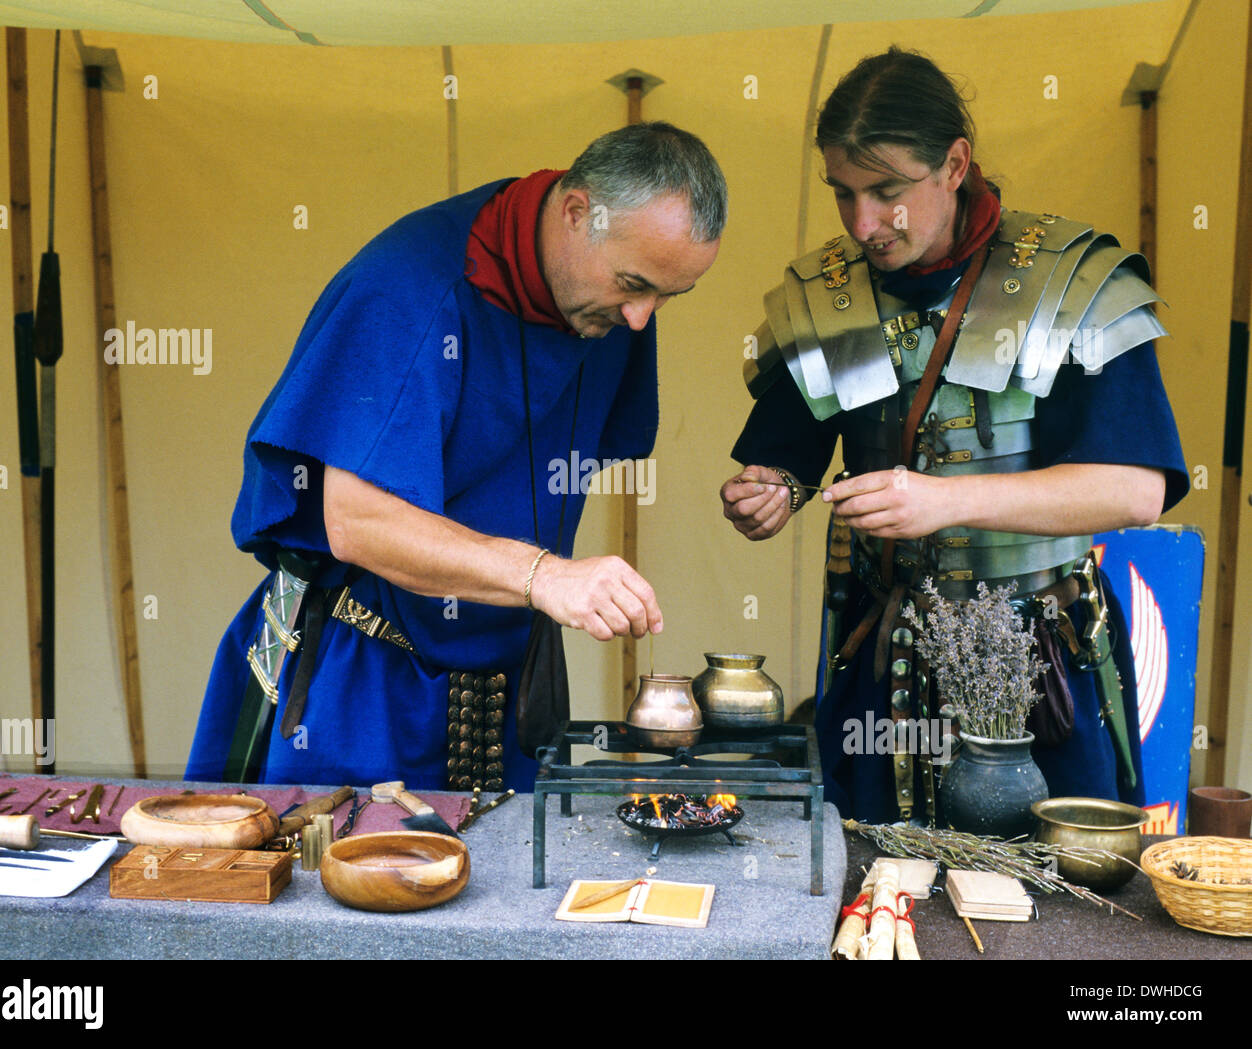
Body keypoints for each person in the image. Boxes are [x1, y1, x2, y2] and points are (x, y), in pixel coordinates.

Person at [721, 48, 1187, 824]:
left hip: (1041, 665)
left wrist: (943, 499)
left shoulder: (1070, 285)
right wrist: (766, 494)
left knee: (1053, 916)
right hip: (885, 662)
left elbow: (1135, 490)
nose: (864, 223)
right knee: (873, 901)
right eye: (843, 194)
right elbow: (784, 464)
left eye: (887, 191)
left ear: (954, 164)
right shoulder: (826, 296)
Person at [186, 122, 726, 791]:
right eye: (633, 283)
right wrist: (544, 575)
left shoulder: (613, 305)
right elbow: (358, 520)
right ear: (577, 212)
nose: (643, 318)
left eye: (670, 295)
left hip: (505, 693)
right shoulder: (408, 290)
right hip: (358, 685)